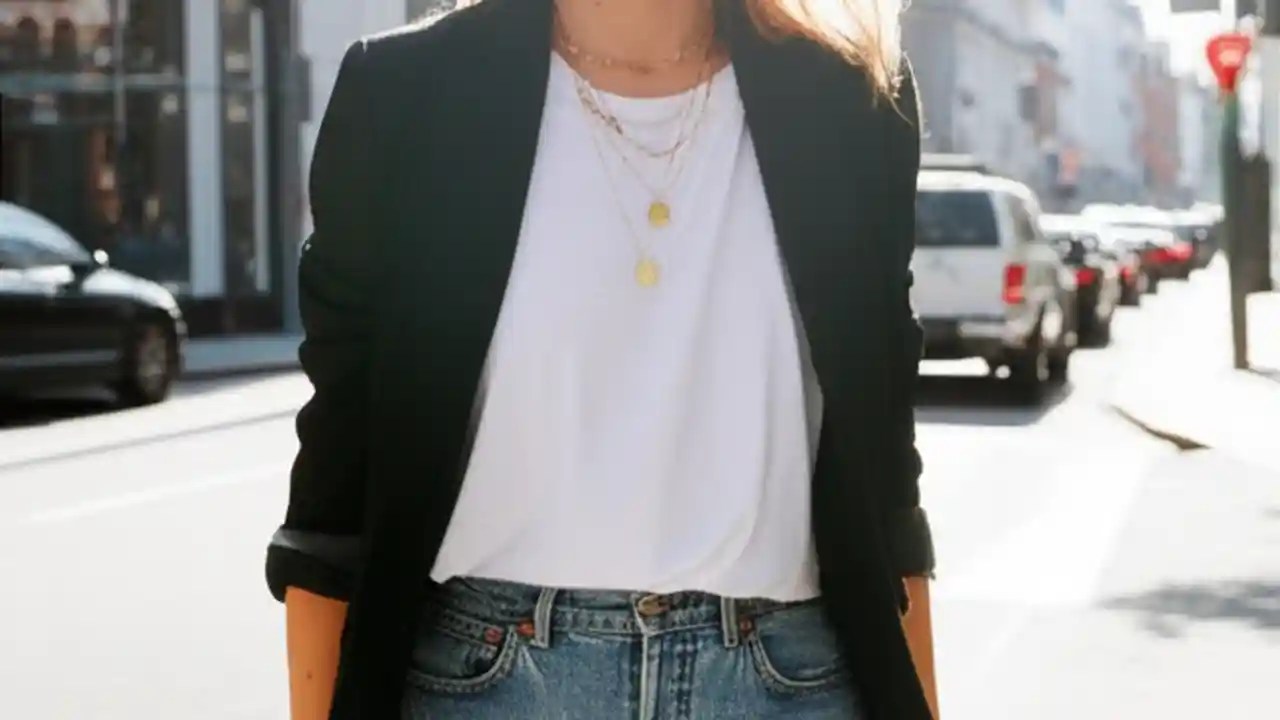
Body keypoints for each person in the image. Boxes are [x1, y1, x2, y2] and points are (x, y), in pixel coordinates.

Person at [265, 0, 936, 718]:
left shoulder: (856, 98)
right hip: (487, 684)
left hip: (792, 681)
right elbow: (332, 502)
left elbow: (886, 490)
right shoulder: (405, 91)